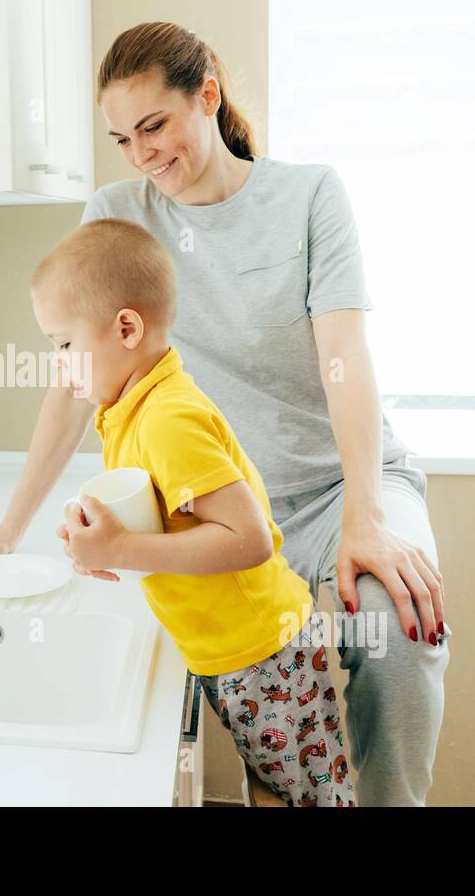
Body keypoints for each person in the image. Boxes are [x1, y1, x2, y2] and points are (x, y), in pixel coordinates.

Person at [0, 21, 449, 806]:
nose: (143, 155)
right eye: (122, 138)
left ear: (206, 95)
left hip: (341, 485)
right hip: (219, 504)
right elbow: (76, 377)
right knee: (265, 714)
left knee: (401, 633)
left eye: (155, 126)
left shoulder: (309, 195)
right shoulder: (120, 211)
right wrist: (8, 526)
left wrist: (366, 517)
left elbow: (347, 361)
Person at [33, 216, 354, 806]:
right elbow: (167, 521)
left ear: (126, 327)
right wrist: (99, 544)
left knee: (308, 799)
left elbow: (248, 537)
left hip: (265, 654)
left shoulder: (166, 418)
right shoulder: (130, 410)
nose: (58, 363)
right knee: (275, 789)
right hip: (233, 650)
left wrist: (121, 550)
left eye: (63, 344)